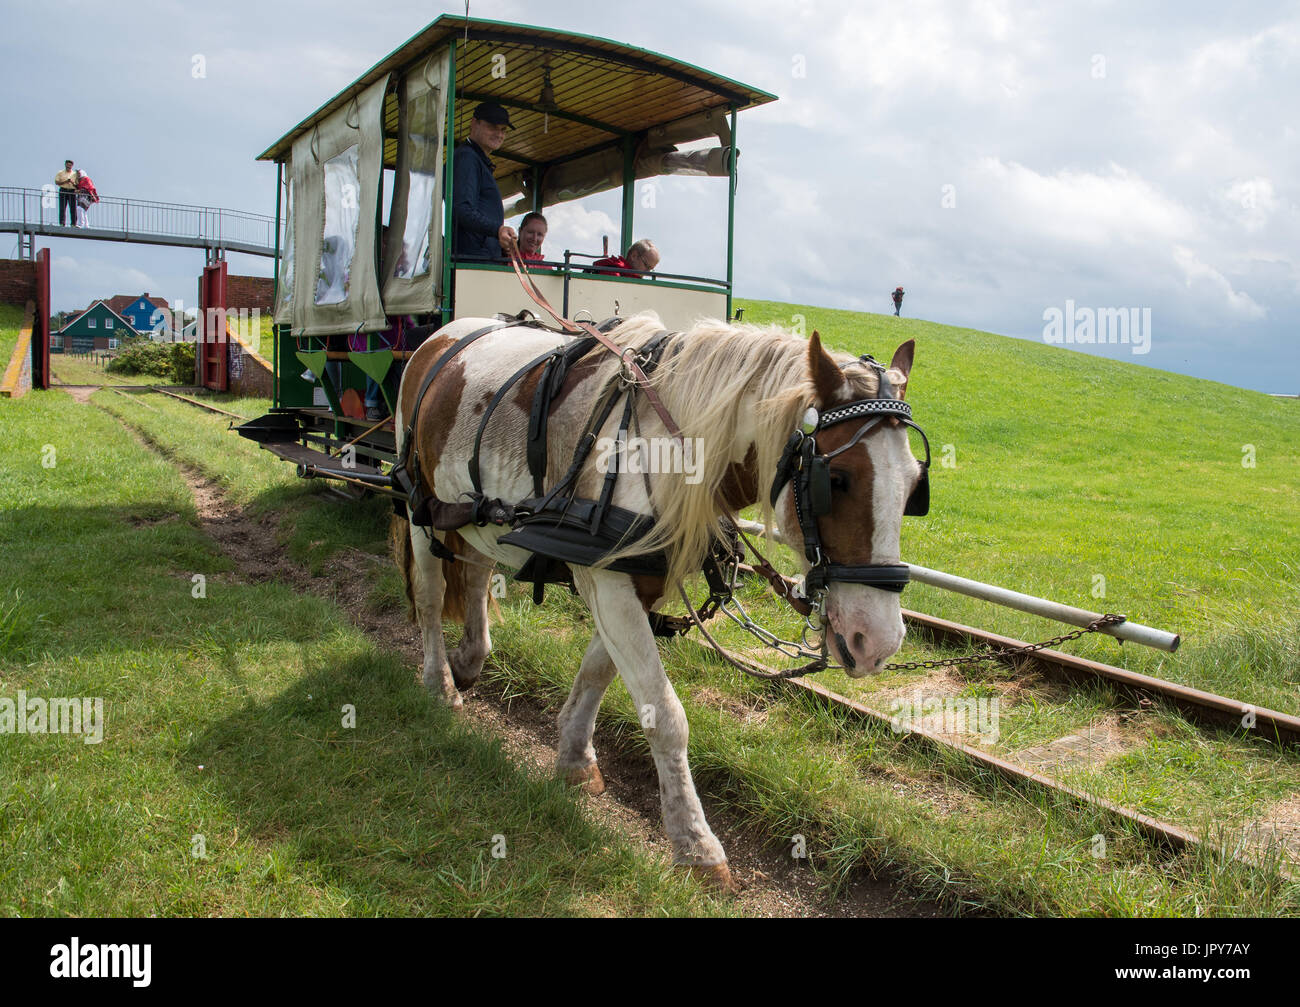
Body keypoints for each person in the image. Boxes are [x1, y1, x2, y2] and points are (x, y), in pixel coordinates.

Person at [452, 102, 517, 260]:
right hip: (470, 260)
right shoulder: (467, 157)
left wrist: (500, 243)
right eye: (493, 127)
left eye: (503, 130)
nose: (499, 134)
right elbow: (461, 209)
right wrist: (497, 230)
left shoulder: (476, 160)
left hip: (480, 256)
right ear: (474, 124)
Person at [591, 238, 660, 277]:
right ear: (634, 256)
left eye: (650, 269)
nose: (647, 272)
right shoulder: (613, 274)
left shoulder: (635, 280)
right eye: (646, 265)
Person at [55, 159, 78, 227]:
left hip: (72, 191)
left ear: (72, 166)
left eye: (70, 165)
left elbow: (77, 185)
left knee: (73, 208)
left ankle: (73, 224)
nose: (68, 166)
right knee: (62, 207)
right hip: (63, 190)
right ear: (65, 165)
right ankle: (62, 223)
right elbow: (57, 182)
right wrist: (65, 181)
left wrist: (72, 182)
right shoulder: (60, 172)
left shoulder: (75, 174)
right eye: (67, 165)